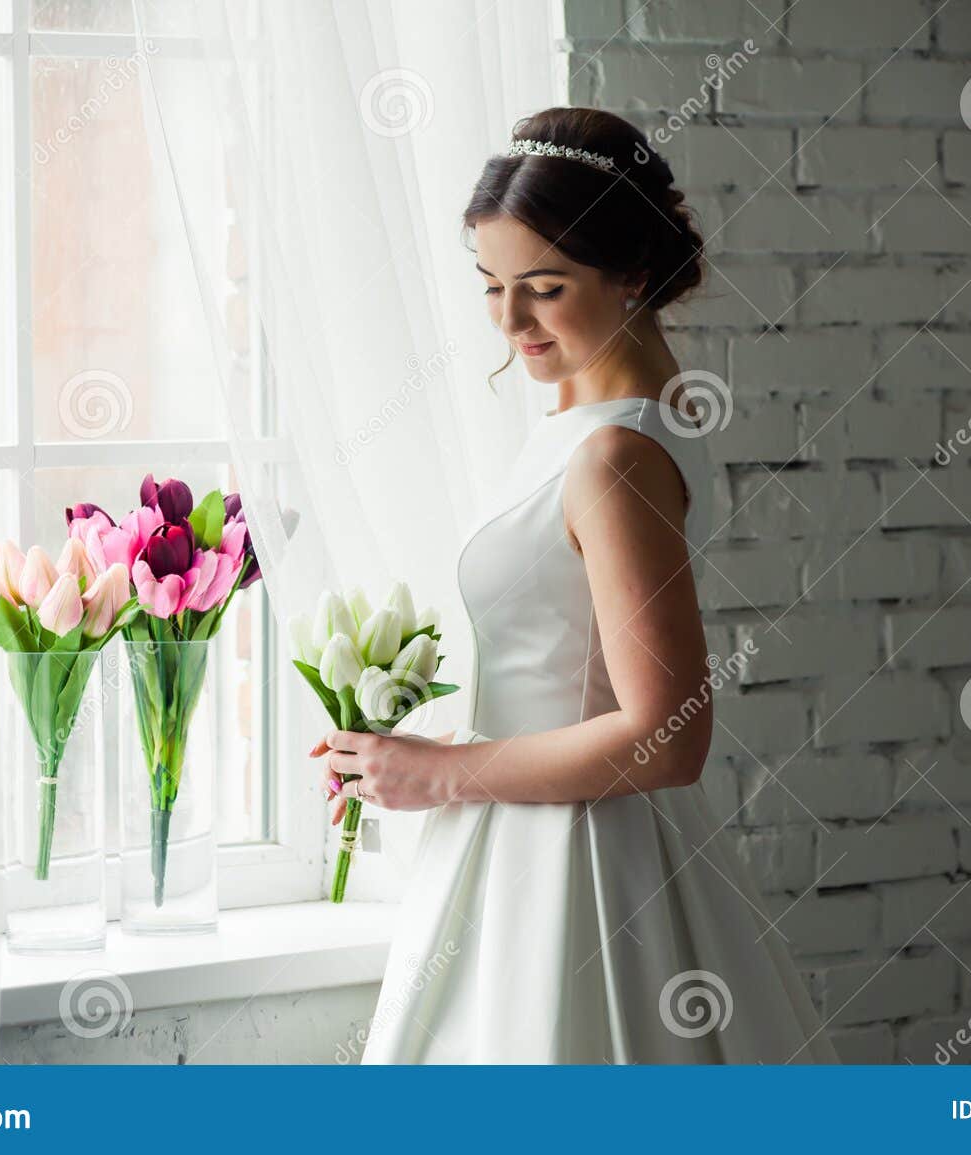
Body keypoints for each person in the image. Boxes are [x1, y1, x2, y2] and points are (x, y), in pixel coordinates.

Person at [311, 107, 840, 1065]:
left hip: (581, 870)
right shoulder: (592, 418)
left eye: (544, 289)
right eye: (491, 286)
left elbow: (666, 735)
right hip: (524, 847)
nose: (511, 323)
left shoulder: (614, 454)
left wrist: (435, 774)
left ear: (633, 271)